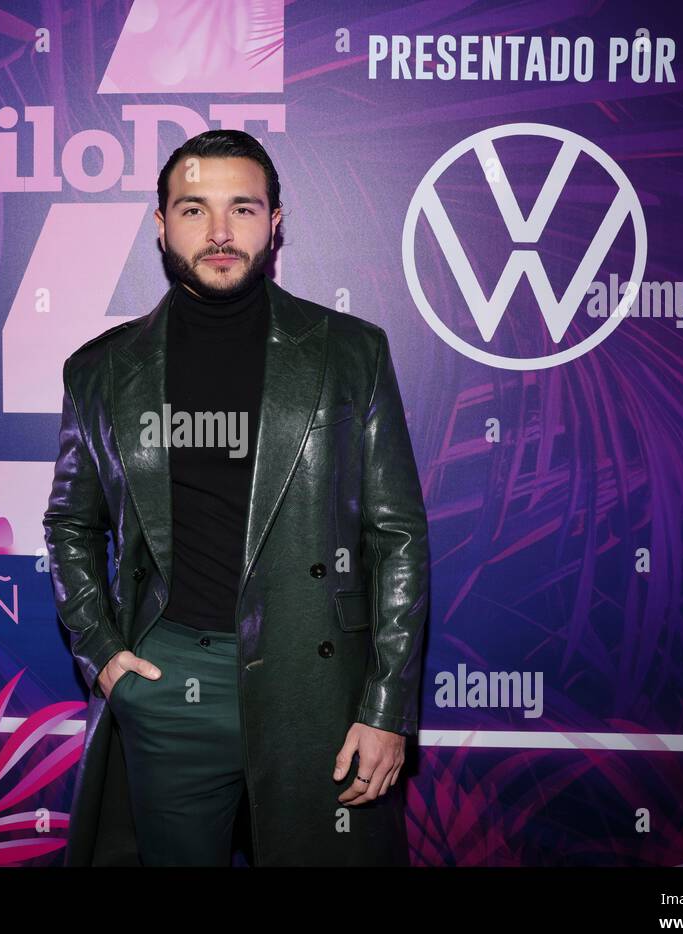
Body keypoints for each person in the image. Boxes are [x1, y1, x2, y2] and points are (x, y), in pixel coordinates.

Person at [43, 129, 430, 866]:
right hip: (169, 681)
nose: (220, 233)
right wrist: (103, 650)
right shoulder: (101, 370)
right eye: (194, 210)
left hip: (318, 686)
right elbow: (70, 522)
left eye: (243, 209)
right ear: (161, 225)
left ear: (276, 221)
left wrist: (385, 707)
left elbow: (397, 537)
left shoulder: (350, 352)